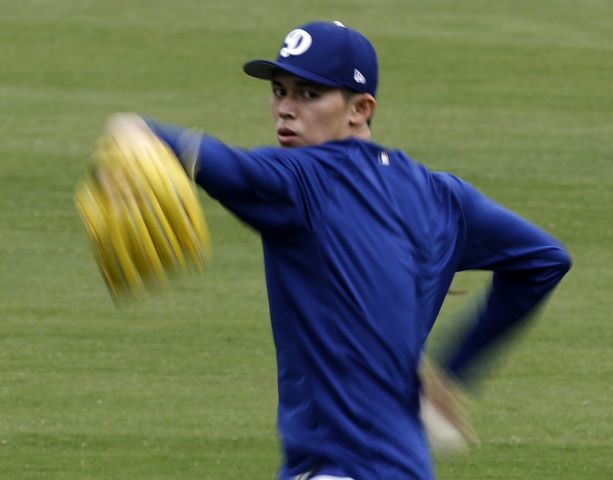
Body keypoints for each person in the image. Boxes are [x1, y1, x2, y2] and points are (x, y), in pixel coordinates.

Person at [141, 20, 571, 480]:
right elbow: (544, 259)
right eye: (279, 91)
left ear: (360, 109)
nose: (285, 109)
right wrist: (451, 371)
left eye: (309, 94)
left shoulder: (302, 180)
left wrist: (137, 132)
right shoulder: (441, 198)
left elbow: (218, 163)